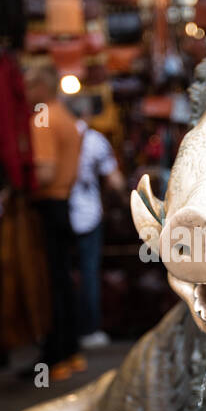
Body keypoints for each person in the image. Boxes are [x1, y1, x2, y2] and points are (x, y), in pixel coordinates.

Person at [26, 65, 83, 381]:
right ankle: (70, 352)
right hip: (64, 203)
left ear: (40, 87)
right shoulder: (65, 116)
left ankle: (55, 356)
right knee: (63, 280)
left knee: (50, 282)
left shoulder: (43, 120)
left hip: (48, 204)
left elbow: (45, 171)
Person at [70, 118, 124, 348]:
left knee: (61, 273)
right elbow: (114, 180)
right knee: (89, 272)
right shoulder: (94, 140)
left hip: (61, 213)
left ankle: (65, 329)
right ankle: (90, 329)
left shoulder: (52, 132)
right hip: (89, 214)